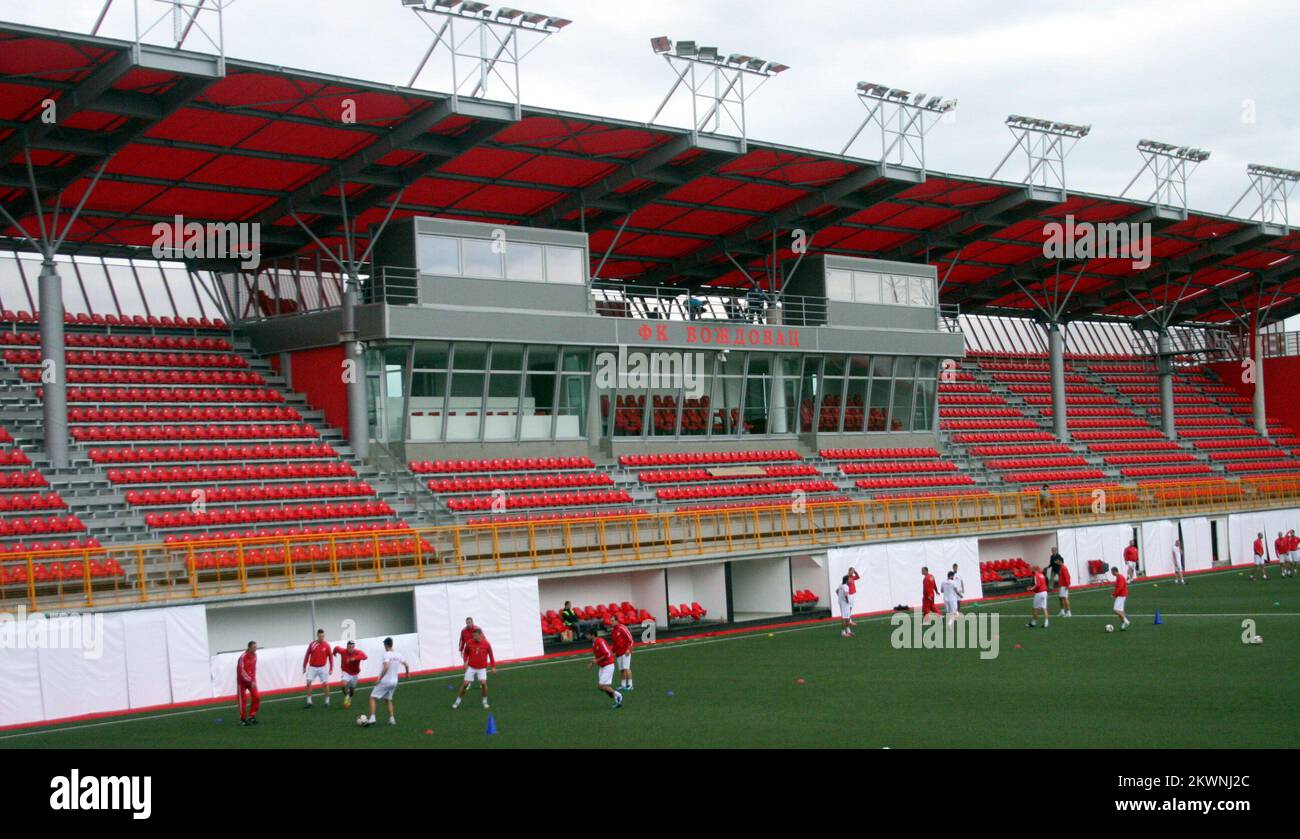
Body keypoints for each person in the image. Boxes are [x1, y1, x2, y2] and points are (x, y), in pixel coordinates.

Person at [364, 637, 409, 727]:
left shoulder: (386, 655)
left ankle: (372, 718)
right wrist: (407, 673)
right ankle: (392, 719)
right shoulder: (398, 654)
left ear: (386, 645)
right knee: (388, 700)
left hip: (386, 681)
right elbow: (406, 665)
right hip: (394, 681)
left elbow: (386, 667)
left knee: (372, 697)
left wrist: (379, 679)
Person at [453, 629, 494, 710]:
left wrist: (493, 666)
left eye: (476, 636)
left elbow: (491, 655)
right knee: (465, 684)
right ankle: (457, 701)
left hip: (482, 668)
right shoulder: (469, 643)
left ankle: (484, 701)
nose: (474, 637)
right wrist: (465, 662)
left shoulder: (486, 644)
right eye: (473, 636)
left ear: (480, 635)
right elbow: (465, 653)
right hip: (471, 667)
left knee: (483, 683)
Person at [587, 628, 623, 709]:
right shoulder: (594, 643)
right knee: (602, 687)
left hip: (608, 665)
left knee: (602, 686)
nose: (587, 636)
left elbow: (607, 654)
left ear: (592, 634)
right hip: (603, 666)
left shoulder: (600, 641)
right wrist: (593, 662)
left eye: (588, 634)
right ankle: (616, 700)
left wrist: (596, 660)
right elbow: (599, 656)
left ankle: (618, 695)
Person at [332, 640, 368, 710]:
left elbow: (365, 657)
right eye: (349, 647)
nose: (351, 648)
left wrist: (354, 658)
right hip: (345, 672)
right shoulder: (343, 651)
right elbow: (336, 648)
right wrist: (334, 653)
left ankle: (350, 697)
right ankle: (347, 697)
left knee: (352, 689)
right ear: (347, 647)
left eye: (352, 647)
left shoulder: (358, 652)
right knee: (343, 684)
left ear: (354, 647)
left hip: (355, 673)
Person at [302, 628, 333, 708]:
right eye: (320, 636)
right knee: (308, 683)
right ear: (317, 636)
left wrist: (331, 668)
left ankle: (327, 701)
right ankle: (309, 701)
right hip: (312, 667)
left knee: (325, 684)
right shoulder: (312, 644)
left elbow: (330, 657)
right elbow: (307, 655)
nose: (322, 638)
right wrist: (304, 666)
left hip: (322, 667)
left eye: (323, 636)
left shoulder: (327, 645)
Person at [236, 641, 259, 726]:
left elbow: (253, 669)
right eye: (254, 647)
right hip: (242, 682)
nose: (255, 649)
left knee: (256, 697)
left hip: (251, 681)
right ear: (249, 648)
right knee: (243, 701)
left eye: (256, 647)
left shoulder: (255, 656)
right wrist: (251, 680)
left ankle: (252, 716)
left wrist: (254, 680)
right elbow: (242, 671)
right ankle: (243, 719)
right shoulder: (242, 657)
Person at [610, 614, 635, 691]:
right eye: (611, 621)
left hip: (625, 652)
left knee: (626, 668)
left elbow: (630, 640)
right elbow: (615, 644)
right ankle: (623, 685)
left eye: (613, 621)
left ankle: (630, 685)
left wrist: (628, 649)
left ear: (617, 621)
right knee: (621, 670)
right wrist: (612, 651)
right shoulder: (613, 631)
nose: (611, 622)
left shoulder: (622, 628)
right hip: (618, 653)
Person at [1026, 564, 1050, 629]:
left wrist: (1031, 589)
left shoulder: (1036, 575)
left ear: (1034, 569)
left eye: (1032, 569)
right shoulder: (1041, 575)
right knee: (1044, 608)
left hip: (1039, 593)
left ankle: (1033, 623)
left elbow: (1037, 585)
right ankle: (1046, 623)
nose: (1031, 570)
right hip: (1045, 592)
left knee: (1035, 608)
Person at [1111, 566, 1130, 631]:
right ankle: (1124, 624)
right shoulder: (1118, 577)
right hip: (1121, 595)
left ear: (1115, 571)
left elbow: (1120, 587)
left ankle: (1126, 621)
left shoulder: (1120, 577)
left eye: (1112, 572)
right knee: (1120, 610)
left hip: (1121, 595)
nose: (1112, 573)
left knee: (1116, 609)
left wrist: (1114, 594)